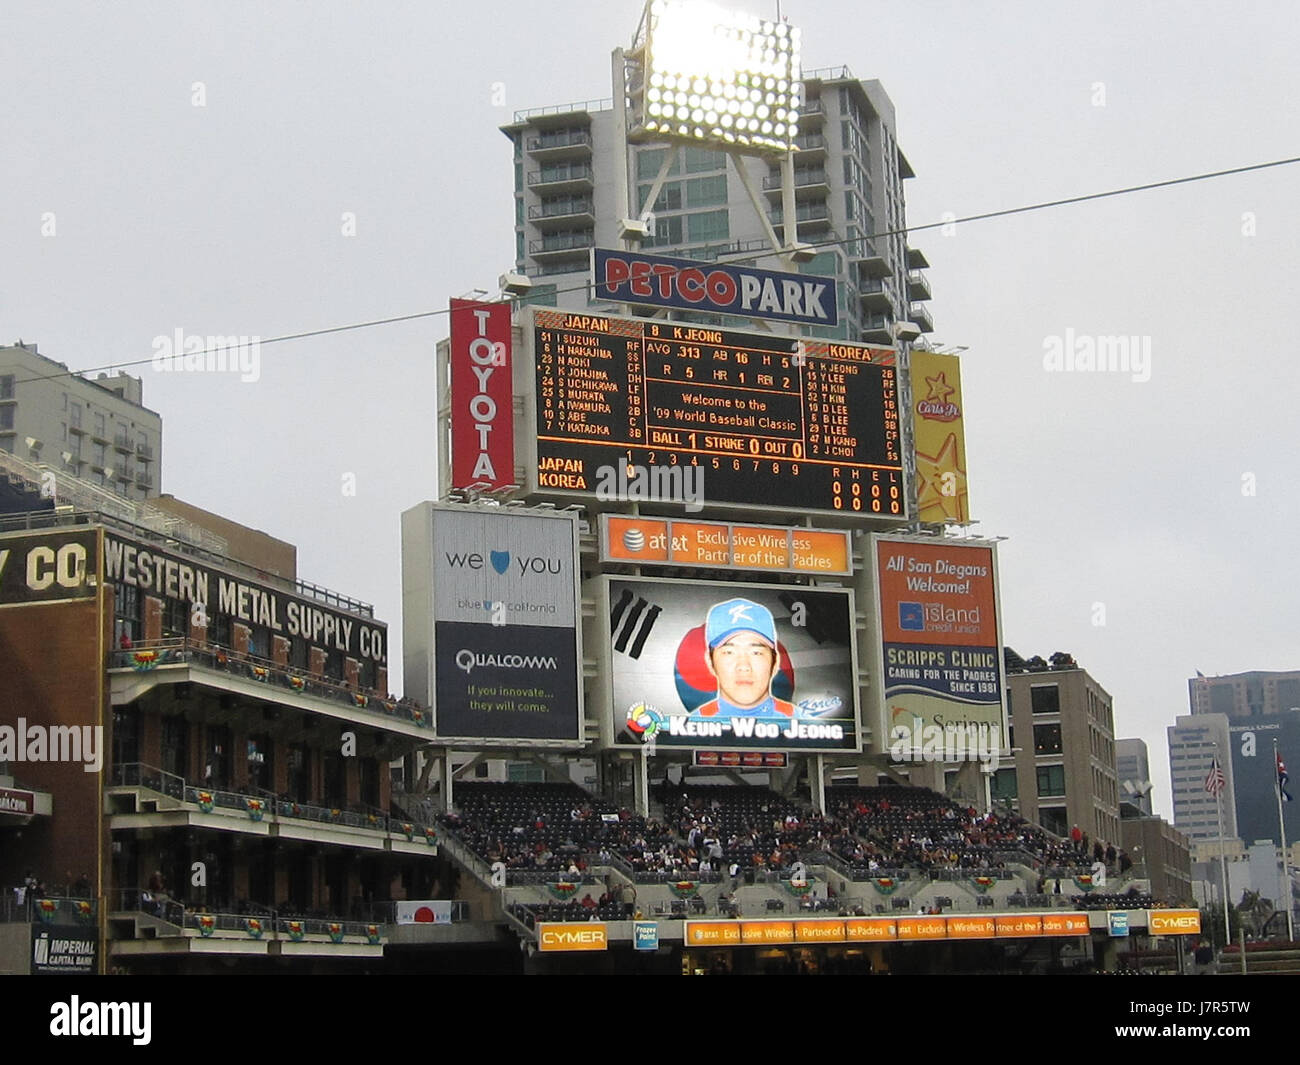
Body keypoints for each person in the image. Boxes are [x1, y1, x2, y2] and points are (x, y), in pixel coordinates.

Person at [691, 598, 795, 719]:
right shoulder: (688, 728)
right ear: (710, 662)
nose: (744, 666)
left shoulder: (803, 725)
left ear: (775, 663)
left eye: (756, 653)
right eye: (729, 652)